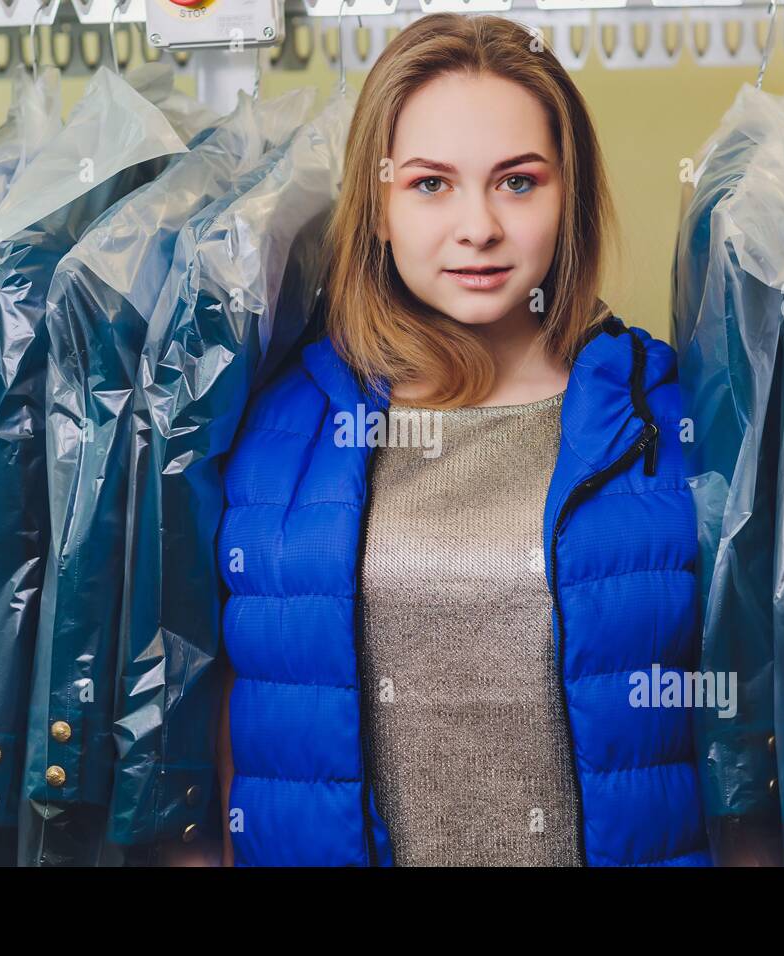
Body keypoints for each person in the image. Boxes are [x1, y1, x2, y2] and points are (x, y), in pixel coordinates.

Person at [213, 12, 711, 866]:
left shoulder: (667, 422)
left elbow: (744, 750)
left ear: (569, 196)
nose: (477, 227)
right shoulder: (276, 426)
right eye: (430, 184)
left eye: (518, 182)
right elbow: (230, 727)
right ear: (377, 205)